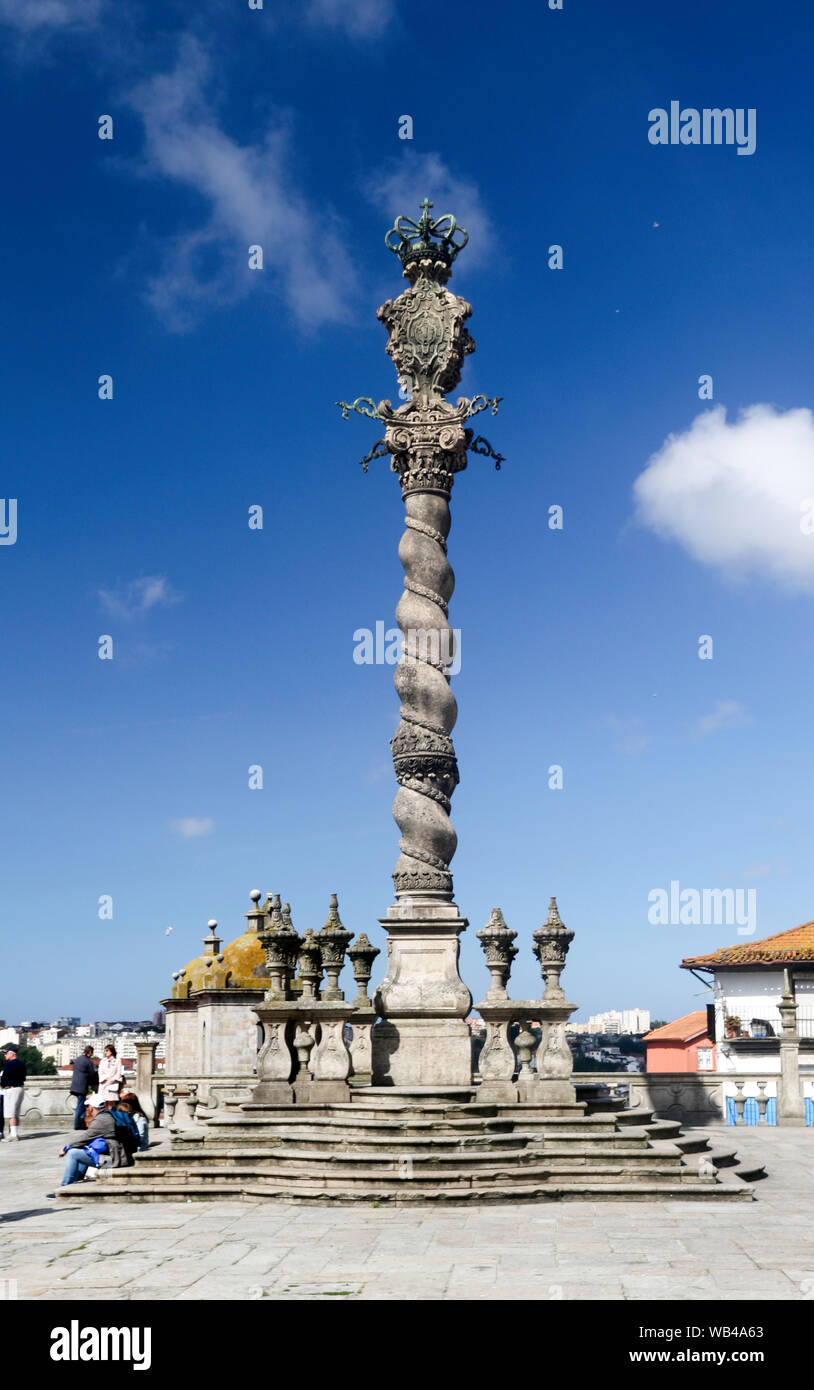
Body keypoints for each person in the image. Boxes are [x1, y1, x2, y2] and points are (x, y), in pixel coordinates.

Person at [57, 1096, 117, 1185]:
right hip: (115, 1155)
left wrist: (65, 1148)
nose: (87, 1109)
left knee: (72, 1153)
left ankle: (65, 1186)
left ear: (92, 1108)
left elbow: (84, 1138)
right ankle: (75, 1181)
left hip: (111, 1160)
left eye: (88, 1107)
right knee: (84, 1150)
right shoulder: (107, 1115)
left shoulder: (100, 1120)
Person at [0, 1046, 26, 1141]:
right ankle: (15, 1133)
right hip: (20, 1088)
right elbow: (23, 1078)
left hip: (11, 1089)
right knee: (16, 1113)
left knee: (11, 1114)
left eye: (6, 1053)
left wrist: (3, 1085)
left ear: (12, 1054)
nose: (5, 1055)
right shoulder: (22, 1064)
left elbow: (4, 1079)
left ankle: (13, 1135)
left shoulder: (9, 1064)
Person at [69, 1045, 98, 1130]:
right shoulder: (88, 1061)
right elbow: (92, 1073)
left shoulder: (78, 1059)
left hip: (75, 1085)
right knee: (80, 1106)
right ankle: (77, 1124)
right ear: (89, 1052)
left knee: (81, 1105)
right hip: (82, 1086)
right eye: (92, 1052)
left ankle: (82, 1124)